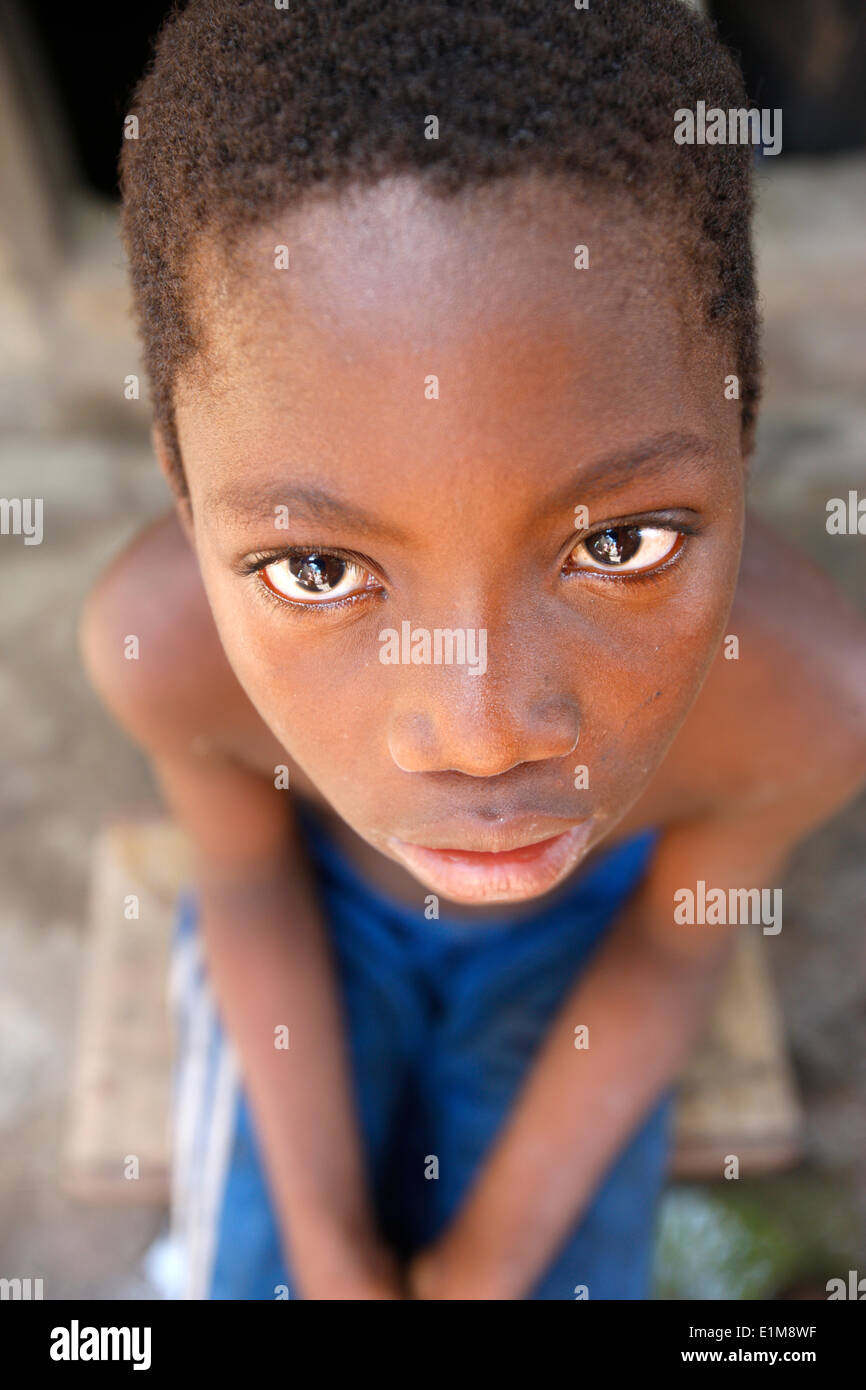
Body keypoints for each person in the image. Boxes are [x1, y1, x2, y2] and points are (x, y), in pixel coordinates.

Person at [79, 0, 866, 1299]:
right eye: (319, 570)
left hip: (589, 938)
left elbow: (674, 948)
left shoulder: (808, 705)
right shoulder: (162, 647)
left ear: (743, 422)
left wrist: (485, 1262)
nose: (485, 727)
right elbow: (247, 883)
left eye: (619, 545)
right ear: (179, 483)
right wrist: (330, 1251)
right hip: (319, 906)